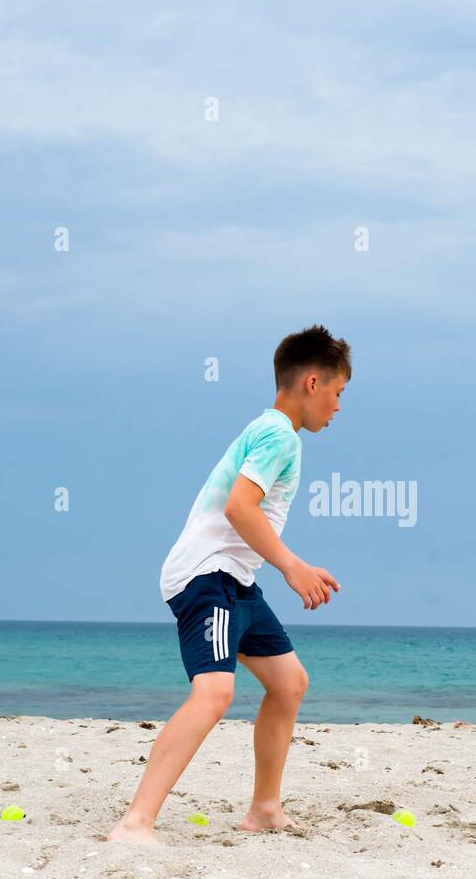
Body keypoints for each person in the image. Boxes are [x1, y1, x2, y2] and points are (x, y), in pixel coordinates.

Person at [107, 324, 351, 844]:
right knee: (214, 693)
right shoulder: (278, 434)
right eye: (338, 392)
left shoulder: (275, 433)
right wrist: (292, 566)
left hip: (236, 580)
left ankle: (264, 808)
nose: (338, 406)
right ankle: (136, 822)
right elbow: (239, 507)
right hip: (206, 574)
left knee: (290, 684)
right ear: (313, 383)